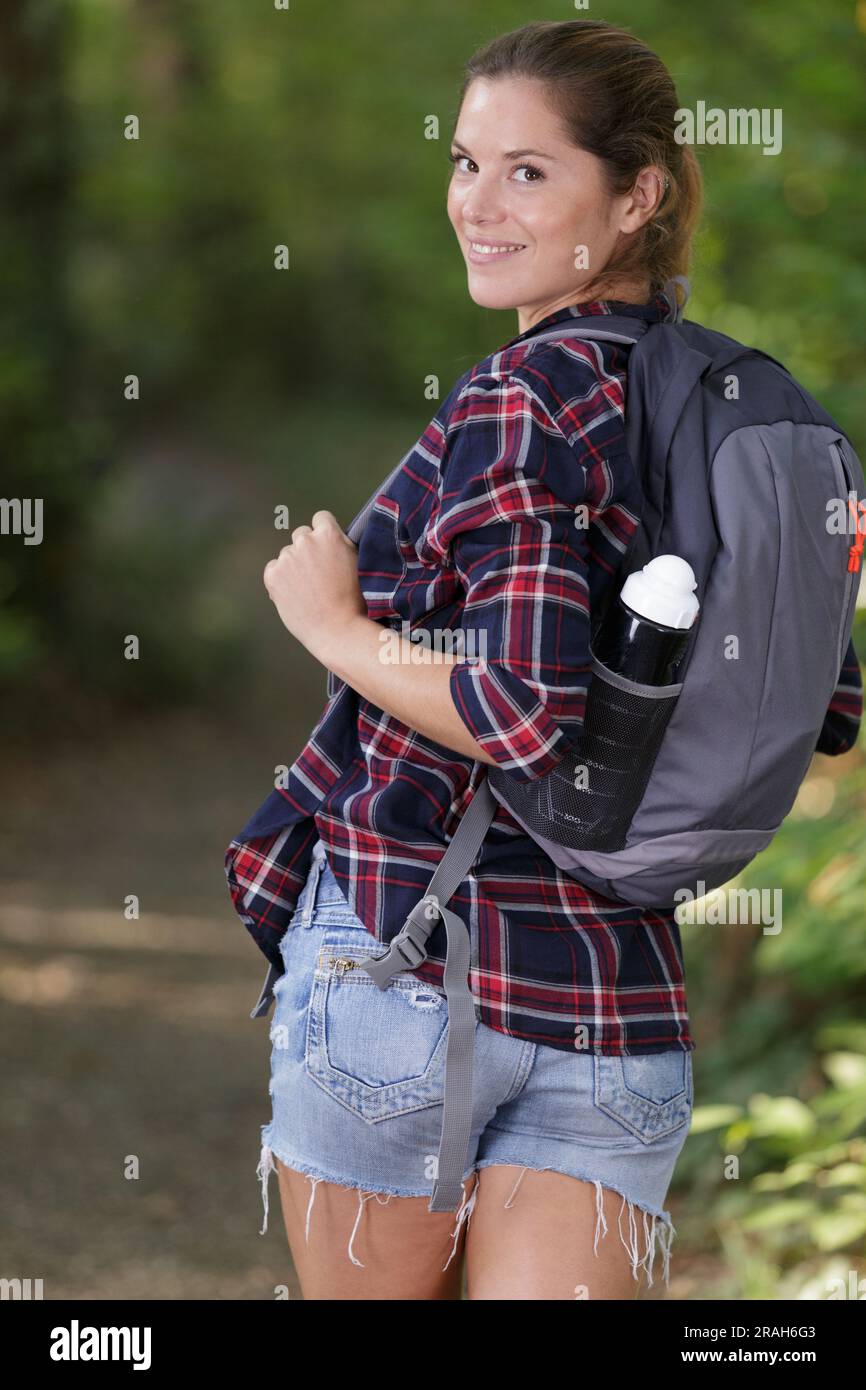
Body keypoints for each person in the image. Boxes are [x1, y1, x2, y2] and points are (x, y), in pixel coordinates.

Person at [230, 18, 705, 1300]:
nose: (474, 204)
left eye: (527, 171)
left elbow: (521, 705)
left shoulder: (521, 395)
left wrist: (333, 626)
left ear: (637, 192)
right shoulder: (731, 408)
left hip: (410, 962)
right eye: (461, 161)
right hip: (616, 1000)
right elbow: (820, 705)